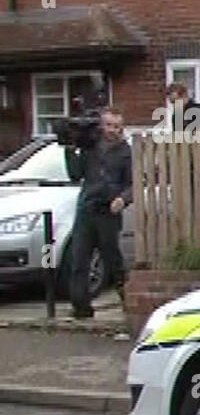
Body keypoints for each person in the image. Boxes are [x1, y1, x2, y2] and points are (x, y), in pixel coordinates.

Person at [65, 106, 132, 319]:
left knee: (113, 261)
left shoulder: (125, 151)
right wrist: (69, 149)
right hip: (86, 209)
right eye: (110, 125)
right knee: (79, 260)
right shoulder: (90, 147)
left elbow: (133, 184)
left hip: (108, 212)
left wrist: (123, 199)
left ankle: (129, 305)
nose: (113, 130)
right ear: (102, 125)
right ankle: (81, 309)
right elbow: (75, 175)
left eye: (117, 127)